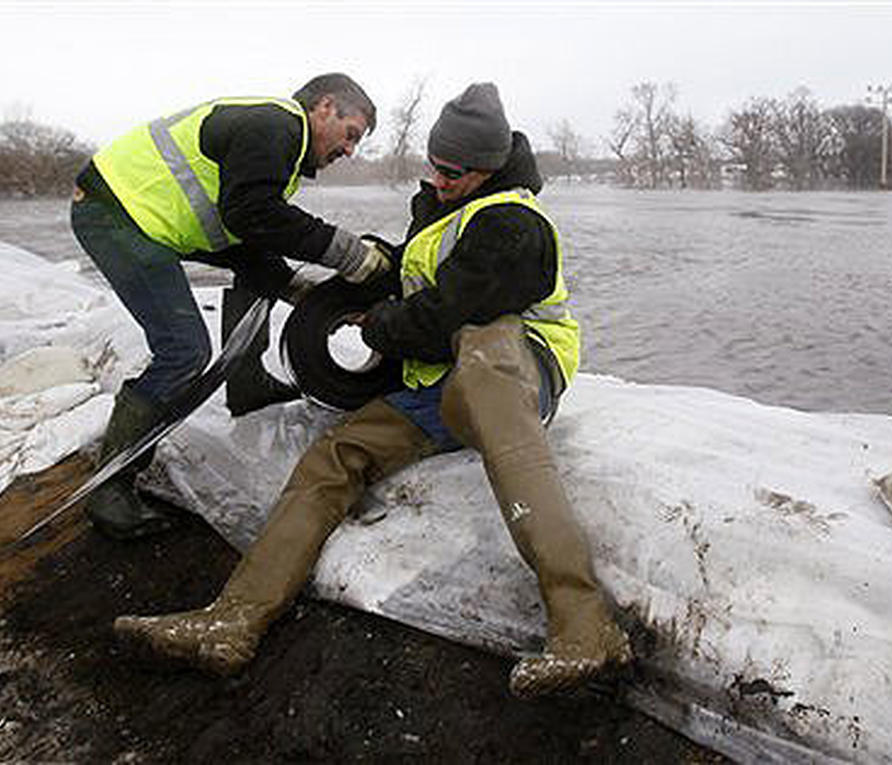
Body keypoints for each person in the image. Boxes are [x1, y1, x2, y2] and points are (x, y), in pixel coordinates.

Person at [114, 83, 633, 699]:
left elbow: (442, 315)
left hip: (517, 376)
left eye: (452, 172)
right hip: (437, 388)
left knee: (484, 354)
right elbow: (417, 279)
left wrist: (376, 323)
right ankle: (233, 620)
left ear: (488, 168)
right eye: (433, 166)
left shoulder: (514, 225)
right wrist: (359, 272)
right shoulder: (444, 207)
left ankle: (584, 625)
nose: (437, 179)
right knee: (334, 459)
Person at [70, 73, 392, 541]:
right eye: (351, 135)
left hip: (143, 219)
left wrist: (301, 291)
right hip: (115, 215)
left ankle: (248, 383)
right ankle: (111, 487)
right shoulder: (277, 125)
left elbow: (247, 237)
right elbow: (253, 214)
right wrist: (351, 255)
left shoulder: (278, 150)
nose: (350, 151)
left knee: (256, 274)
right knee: (184, 352)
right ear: (325, 107)